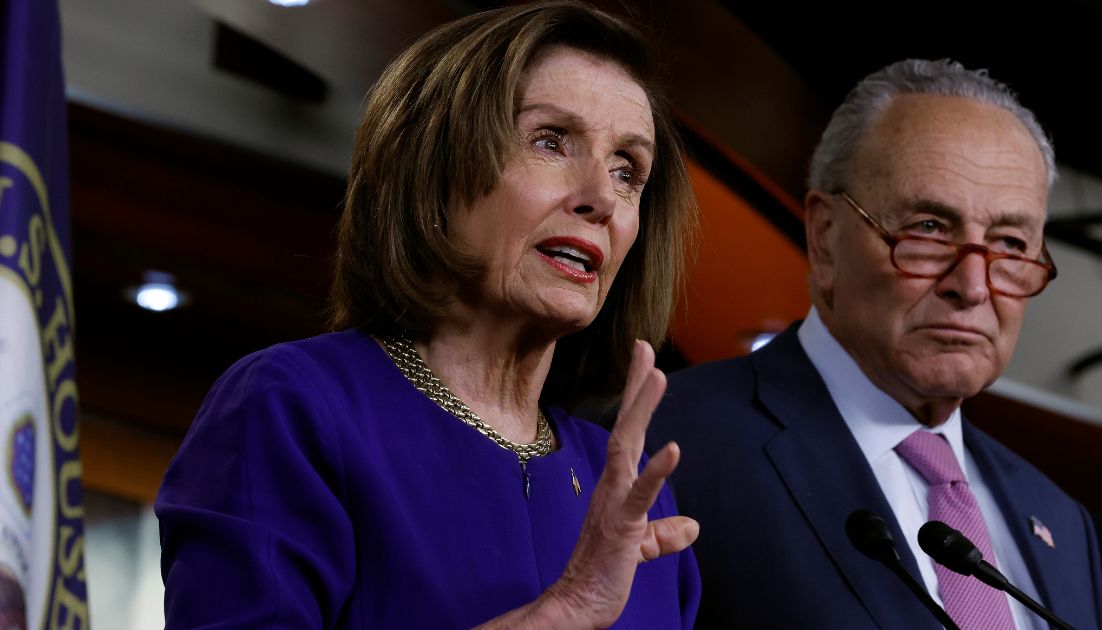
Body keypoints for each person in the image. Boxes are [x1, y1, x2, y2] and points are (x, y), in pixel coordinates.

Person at [155, 2, 701, 627]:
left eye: (627, 170)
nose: (602, 198)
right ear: (435, 165)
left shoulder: (636, 499)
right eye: (550, 141)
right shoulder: (293, 408)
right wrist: (563, 612)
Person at [647, 59, 1102, 629]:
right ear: (825, 237)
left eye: (1011, 243)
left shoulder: (1061, 520)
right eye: (929, 229)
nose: (971, 287)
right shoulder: (668, 444)